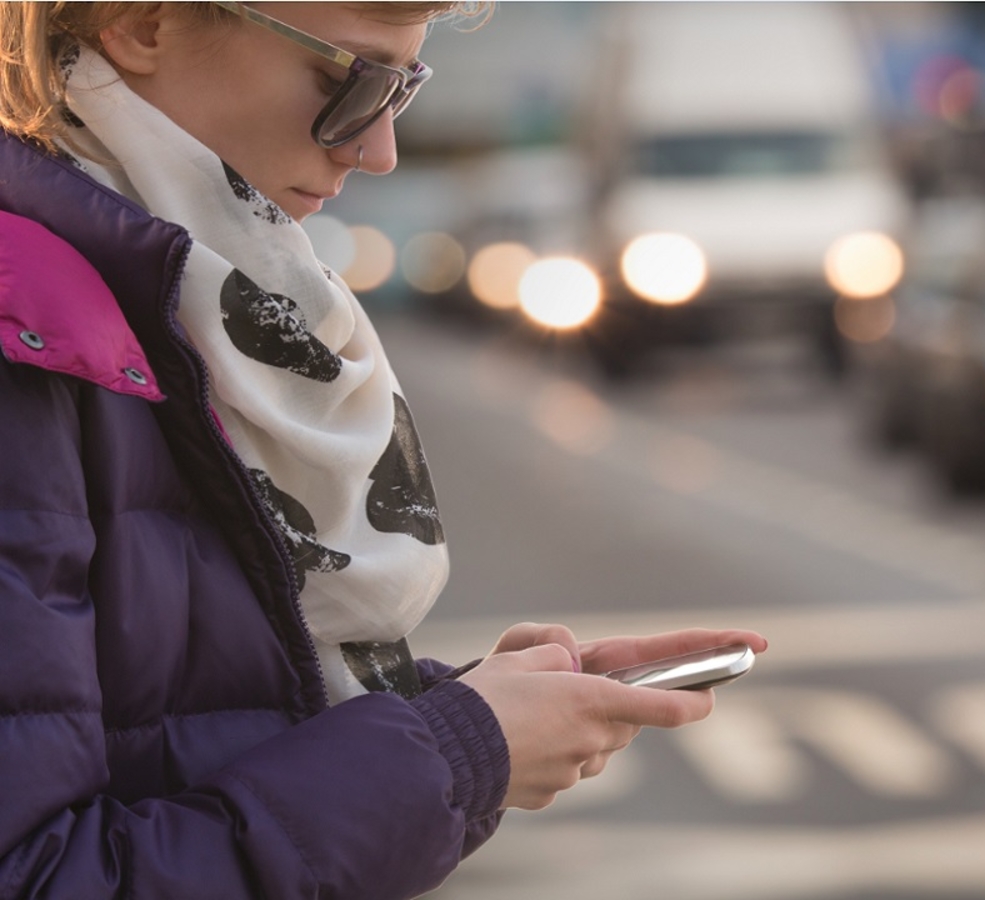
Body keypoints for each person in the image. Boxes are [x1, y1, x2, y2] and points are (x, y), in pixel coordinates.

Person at [0, 3, 767, 898]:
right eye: (351, 81)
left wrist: (471, 712)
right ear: (143, 22)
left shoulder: (168, 307)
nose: (378, 151)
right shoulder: (31, 334)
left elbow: (176, 720)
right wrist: (458, 752)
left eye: (404, 86)